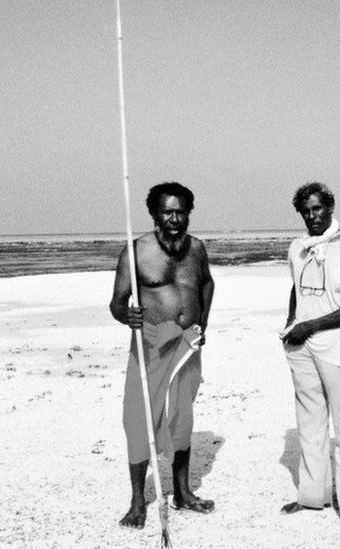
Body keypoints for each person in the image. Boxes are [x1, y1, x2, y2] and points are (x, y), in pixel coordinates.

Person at [109, 182, 216, 528]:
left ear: (189, 213)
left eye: (181, 211)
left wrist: (203, 324)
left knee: (182, 418)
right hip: (152, 344)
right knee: (139, 420)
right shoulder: (135, 251)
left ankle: (183, 493)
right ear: (155, 214)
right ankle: (138, 502)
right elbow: (117, 302)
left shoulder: (196, 249)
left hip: (188, 342)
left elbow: (207, 284)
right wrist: (127, 316)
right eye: (167, 211)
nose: (174, 218)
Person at [279, 182, 340, 528]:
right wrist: (291, 324)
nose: (312, 215)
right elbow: (296, 287)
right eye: (305, 210)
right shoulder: (297, 248)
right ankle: (311, 496)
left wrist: (312, 325)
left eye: (317, 208)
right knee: (310, 424)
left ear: (330, 207)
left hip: (339, 346)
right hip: (301, 348)